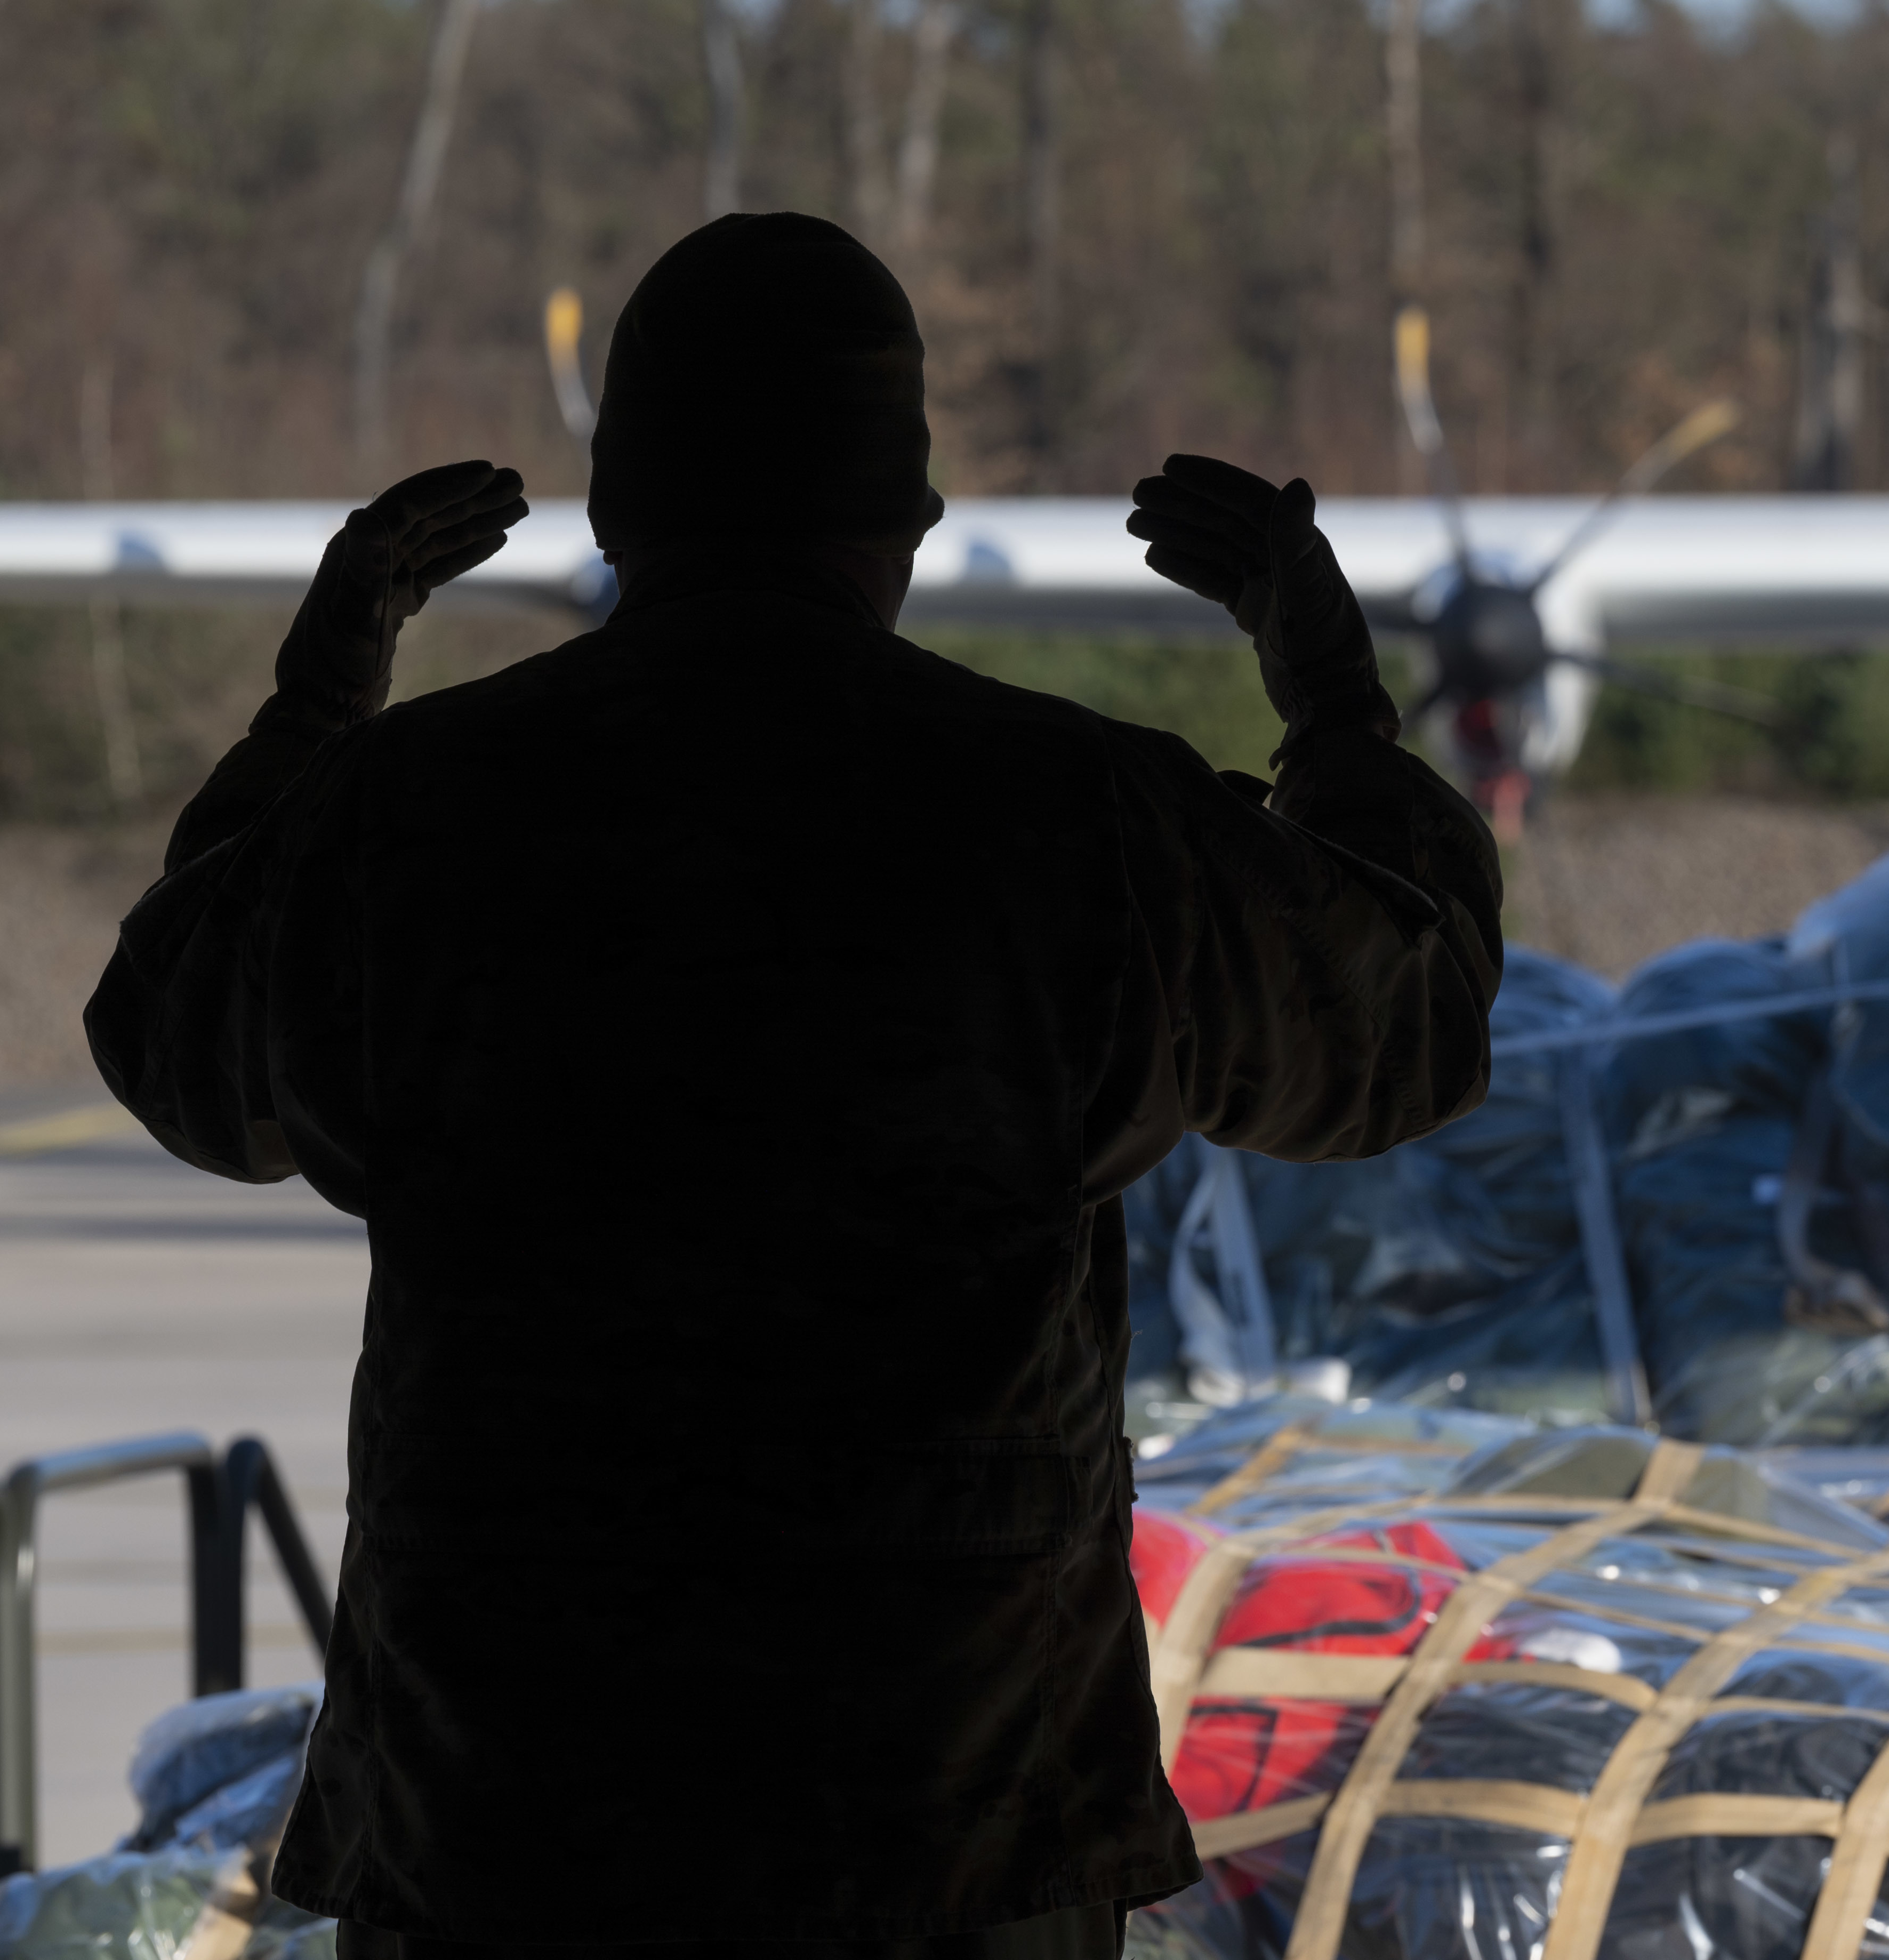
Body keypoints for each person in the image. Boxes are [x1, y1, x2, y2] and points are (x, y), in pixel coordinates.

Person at [84, 212, 1502, 1957]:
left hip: (509, 1834)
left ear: (614, 515)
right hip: (942, 1841)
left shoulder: (407, 821)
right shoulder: (1079, 823)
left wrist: (319, 709)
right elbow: (1408, 1021)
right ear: (906, 514)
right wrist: (1333, 696)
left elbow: (172, 1037)